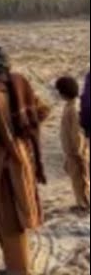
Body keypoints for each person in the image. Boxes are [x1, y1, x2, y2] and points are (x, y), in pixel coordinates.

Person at [0, 44, 50, 275]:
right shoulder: (19, 84)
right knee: (16, 215)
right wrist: (22, 129)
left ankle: (19, 269)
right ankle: (14, 266)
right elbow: (43, 110)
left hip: (1, 162)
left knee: (7, 218)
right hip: (23, 157)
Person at [55, 76, 90, 212]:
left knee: (82, 179)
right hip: (71, 152)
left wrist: (78, 151)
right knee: (76, 179)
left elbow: (77, 132)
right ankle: (81, 202)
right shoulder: (69, 106)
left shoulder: (74, 108)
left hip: (77, 152)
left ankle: (86, 203)